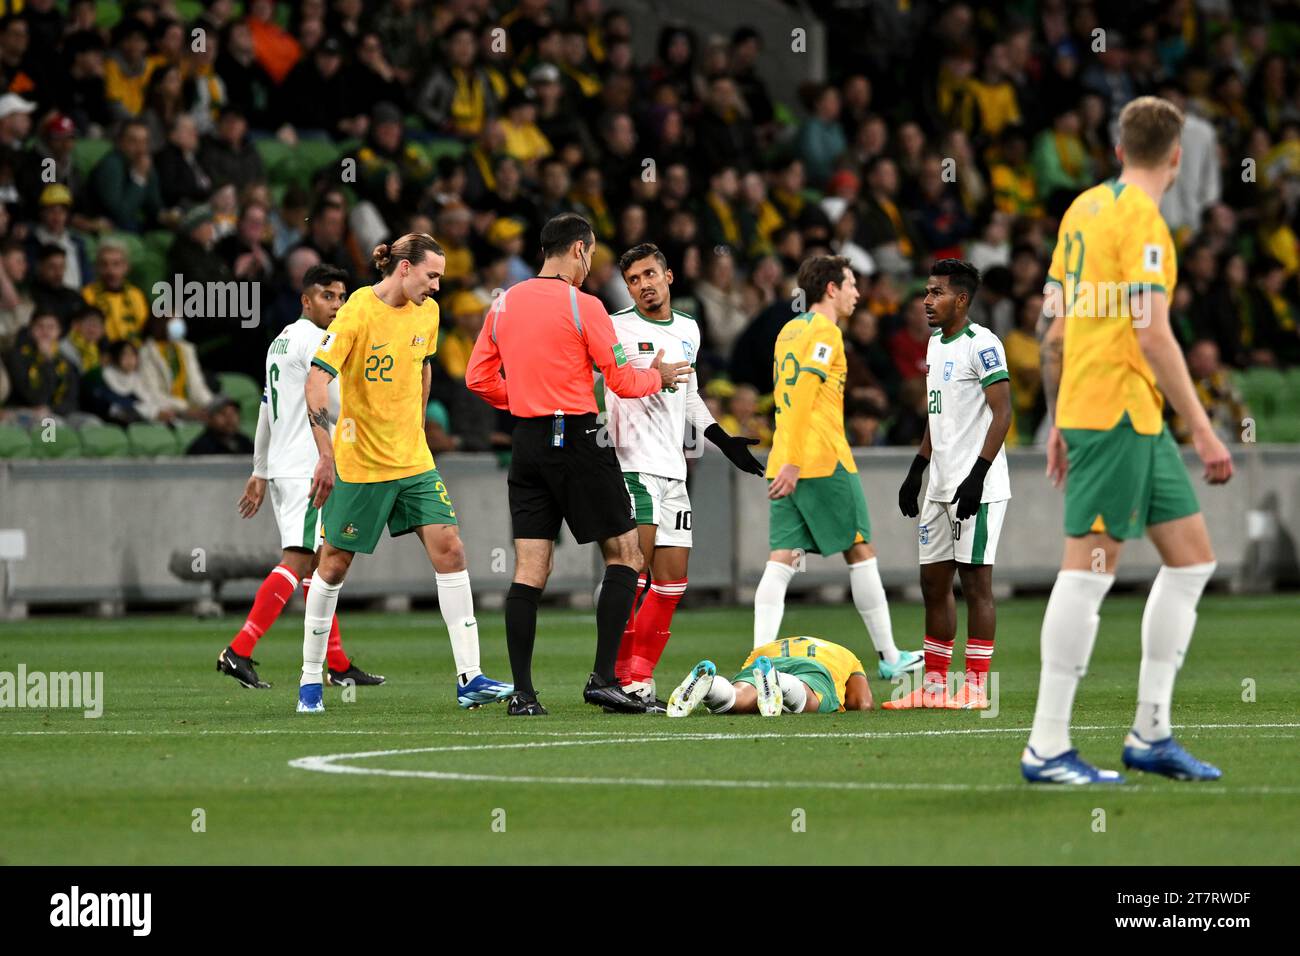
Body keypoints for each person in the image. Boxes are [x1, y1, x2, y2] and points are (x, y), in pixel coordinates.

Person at [1023, 96, 1234, 786]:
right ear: (1176, 157)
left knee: (1192, 560)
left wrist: (1054, 415)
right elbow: (1150, 332)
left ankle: (1150, 732)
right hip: (1115, 413)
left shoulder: (1081, 210)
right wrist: (1203, 429)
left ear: (1119, 150)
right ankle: (1047, 746)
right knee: (1086, 572)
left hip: (1119, 413)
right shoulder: (1146, 223)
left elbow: (1052, 324)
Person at [464, 213, 692, 716]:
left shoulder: (503, 304)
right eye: (590, 254)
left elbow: (477, 379)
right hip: (577, 438)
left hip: (526, 441)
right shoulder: (582, 305)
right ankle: (605, 679)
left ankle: (523, 694)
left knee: (530, 568)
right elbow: (622, 382)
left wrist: (525, 397)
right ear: (580, 250)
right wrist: (662, 377)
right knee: (627, 554)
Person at [301, 233, 513, 714]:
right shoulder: (357, 310)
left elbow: (422, 365)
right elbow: (316, 381)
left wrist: (416, 419)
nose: (437, 286)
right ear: (403, 269)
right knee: (332, 565)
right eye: (431, 275)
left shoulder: (428, 313)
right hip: (360, 462)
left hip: (413, 460)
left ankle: (470, 678)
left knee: (452, 549)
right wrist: (325, 454)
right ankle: (311, 678)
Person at [606, 242, 764, 709]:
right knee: (632, 572)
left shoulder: (689, 329)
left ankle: (639, 675)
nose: (643, 285)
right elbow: (608, 381)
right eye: (634, 279)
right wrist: (645, 372)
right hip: (632, 464)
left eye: (650, 274)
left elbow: (690, 393)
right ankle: (616, 673)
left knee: (672, 581)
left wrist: (722, 438)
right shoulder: (617, 327)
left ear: (669, 276)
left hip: (673, 469)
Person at [754, 254, 923, 680]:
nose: (857, 293)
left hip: (785, 458)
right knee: (860, 548)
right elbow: (808, 390)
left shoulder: (787, 332)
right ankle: (889, 657)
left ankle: (757, 659)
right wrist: (795, 462)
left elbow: (784, 398)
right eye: (851, 284)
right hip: (821, 460)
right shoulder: (826, 331)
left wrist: (785, 459)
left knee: (781, 560)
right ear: (831, 288)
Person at [217, 265, 381, 691]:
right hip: (310, 464)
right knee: (298, 559)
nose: (337, 305)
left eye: (342, 296)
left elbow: (265, 409)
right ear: (306, 300)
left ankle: (338, 662)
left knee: (319, 560)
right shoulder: (316, 341)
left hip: (287, 464)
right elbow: (335, 400)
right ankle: (239, 649)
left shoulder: (279, 341)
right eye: (328, 296)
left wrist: (259, 469)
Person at [891, 259, 1012, 710]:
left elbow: (1003, 413)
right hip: (940, 486)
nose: (926, 300)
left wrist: (978, 475)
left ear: (961, 299)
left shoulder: (984, 345)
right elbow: (937, 413)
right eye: (926, 292)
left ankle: (977, 687)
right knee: (932, 582)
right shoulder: (936, 344)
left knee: (976, 582)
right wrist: (916, 469)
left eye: (936, 293)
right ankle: (937, 686)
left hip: (976, 485)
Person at [665, 636, 872, 717]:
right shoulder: (844, 653)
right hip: (815, 666)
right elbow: (861, 703)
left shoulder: (764, 648)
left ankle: (711, 687)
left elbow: (756, 694)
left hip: (766, 657)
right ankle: (782, 683)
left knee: (740, 697)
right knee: (809, 697)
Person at [185, 397, 253, 454]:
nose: (230, 418)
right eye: (223, 413)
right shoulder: (201, 448)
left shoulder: (245, 442)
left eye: (233, 413)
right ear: (209, 418)